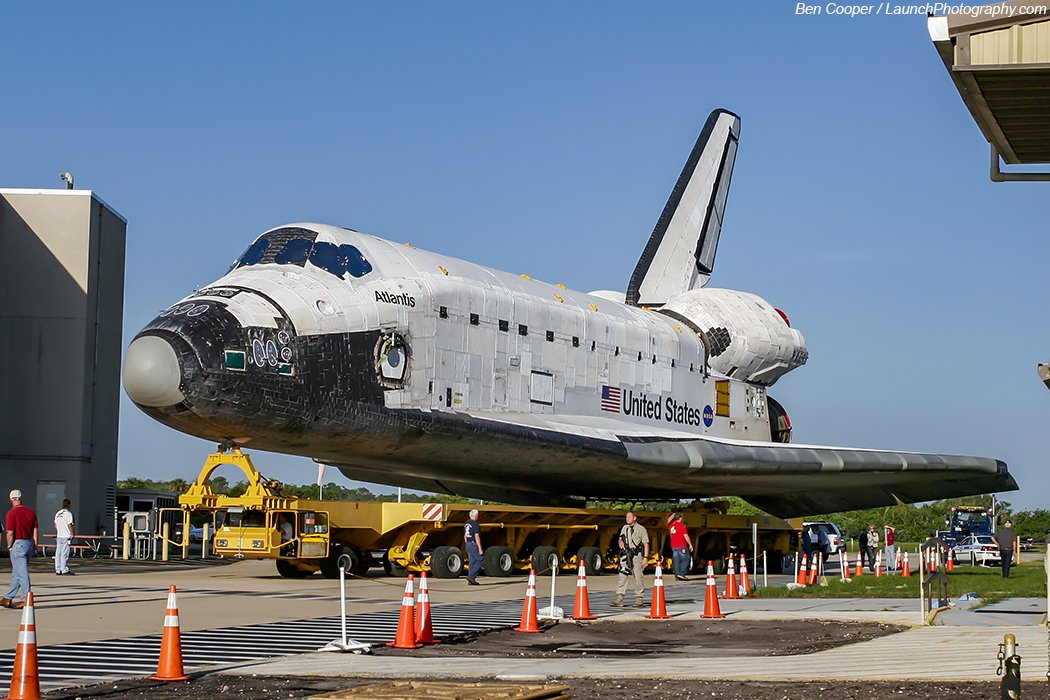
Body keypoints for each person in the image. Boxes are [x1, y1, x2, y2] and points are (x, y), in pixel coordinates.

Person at [3, 490, 38, 609]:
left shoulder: (11, 513)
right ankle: (8, 597)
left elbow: (10, 533)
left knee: (22, 574)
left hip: (18, 544)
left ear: (11, 499)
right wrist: (35, 545)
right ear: (21, 498)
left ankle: (25, 599)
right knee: (17, 572)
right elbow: (35, 530)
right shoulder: (31, 512)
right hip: (29, 543)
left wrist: (9, 546)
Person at [611, 511, 649, 608]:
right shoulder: (625, 528)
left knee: (638, 576)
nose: (627, 519)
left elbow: (646, 544)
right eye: (626, 517)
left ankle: (639, 598)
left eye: (629, 517)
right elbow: (621, 538)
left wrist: (645, 558)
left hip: (636, 555)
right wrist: (620, 542)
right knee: (622, 575)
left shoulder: (641, 529)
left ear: (634, 518)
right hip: (626, 554)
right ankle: (619, 598)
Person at [667, 513, 693, 581]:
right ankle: (681, 573)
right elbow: (685, 535)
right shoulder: (682, 526)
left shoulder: (671, 526)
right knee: (686, 558)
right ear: (680, 518)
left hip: (673, 546)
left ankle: (677, 574)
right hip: (681, 546)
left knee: (676, 560)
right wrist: (690, 544)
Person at [54, 499, 75, 576]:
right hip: (66, 536)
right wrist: (72, 533)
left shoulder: (58, 513)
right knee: (64, 553)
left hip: (59, 535)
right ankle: (64, 569)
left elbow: (55, 525)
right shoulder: (68, 514)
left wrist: (59, 530)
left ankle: (58, 569)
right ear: (69, 505)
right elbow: (69, 524)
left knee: (58, 553)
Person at [464, 509, 483, 585]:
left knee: (472, 562)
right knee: (480, 560)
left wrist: (467, 543)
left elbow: (465, 535)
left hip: (468, 543)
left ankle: (471, 581)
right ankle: (471, 576)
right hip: (473, 544)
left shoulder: (466, 523)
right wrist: (480, 548)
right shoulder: (475, 524)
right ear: (476, 516)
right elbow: (476, 536)